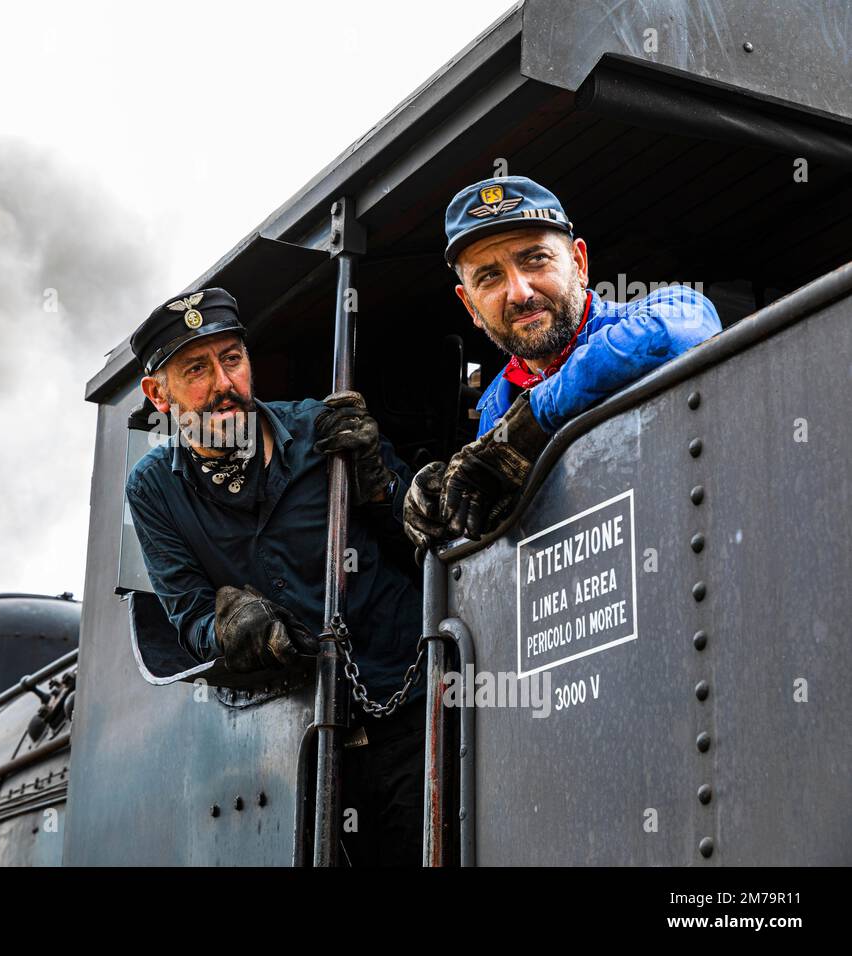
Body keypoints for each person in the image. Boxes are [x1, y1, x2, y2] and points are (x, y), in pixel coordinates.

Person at [124, 287, 425, 865]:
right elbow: (190, 617)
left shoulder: (322, 429)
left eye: (232, 359)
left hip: (407, 701)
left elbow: (419, 537)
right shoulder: (153, 488)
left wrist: (381, 483)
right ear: (158, 394)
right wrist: (237, 633)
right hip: (304, 738)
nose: (223, 384)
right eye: (196, 369)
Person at [404, 175, 722, 553]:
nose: (520, 292)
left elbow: (683, 331)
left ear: (579, 263)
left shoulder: (663, 313)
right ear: (470, 305)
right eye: (490, 277)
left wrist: (537, 417)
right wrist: (442, 512)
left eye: (535, 259)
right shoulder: (494, 411)